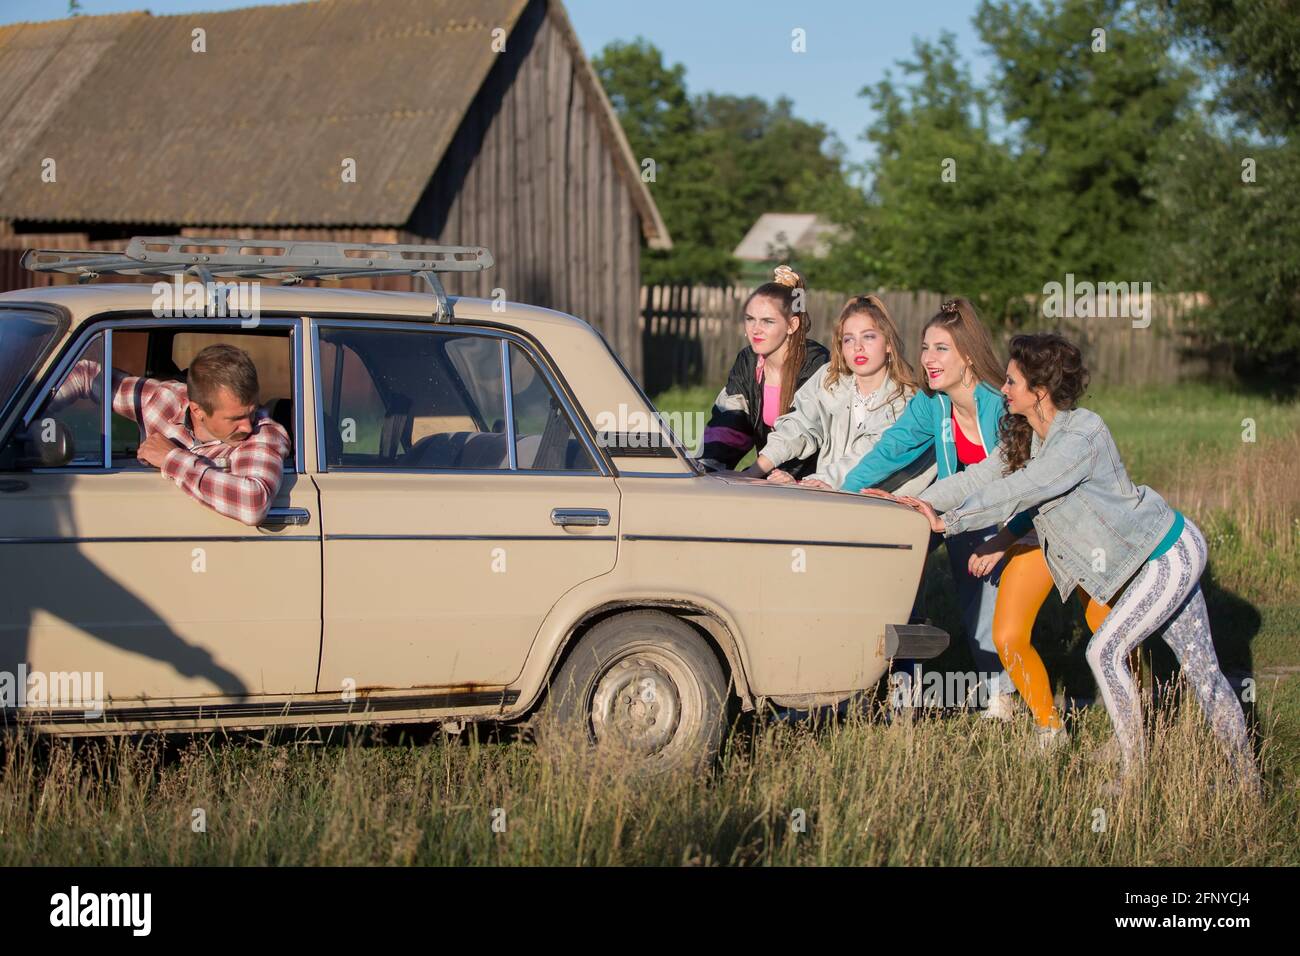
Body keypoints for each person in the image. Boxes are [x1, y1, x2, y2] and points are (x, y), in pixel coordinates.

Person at [901, 333, 1257, 787]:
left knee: (1108, 652)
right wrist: (924, 503)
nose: (1003, 389)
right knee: (1198, 670)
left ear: (1039, 391)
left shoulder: (1081, 434)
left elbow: (1022, 489)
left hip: (1167, 555)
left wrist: (949, 523)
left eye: (1011, 382)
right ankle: (1247, 782)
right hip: (1152, 560)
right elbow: (983, 477)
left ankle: (1137, 778)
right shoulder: (1031, 436)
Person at [844, 298, 1025, 714]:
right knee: (900, 558)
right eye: (925, 347)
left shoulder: (999, 403)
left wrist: (924, 503)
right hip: (959, 511)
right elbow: (892, 448)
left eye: (941, 348)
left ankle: (1005, 695)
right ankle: (894, 681)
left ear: (969, 355)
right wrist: (845, 493)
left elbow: (1000, 480)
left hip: (1014, 517)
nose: (928, 358)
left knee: (983, 588)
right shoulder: (933, 402)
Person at [54, 343, 291, 526]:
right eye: (235, 418)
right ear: (197, 410)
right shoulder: (164, 400)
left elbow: (252, 504)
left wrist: (171, 459)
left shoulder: (264, 434)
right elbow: (86, 375)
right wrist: (36, 418)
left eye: (251, 412)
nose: (247, 426)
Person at [740, 294, 936, 495]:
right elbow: (800, 425)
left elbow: (867, 457)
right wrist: (754, 471)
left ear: (888, 344)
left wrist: (806, 483)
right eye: (849, 339)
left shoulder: (904, 401)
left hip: (884, 503)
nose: (857, 347)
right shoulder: (831, 379)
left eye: (868, 336)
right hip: (830, 497)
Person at [697, 265, 829, 478]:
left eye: (768, 321)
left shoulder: (817, 363)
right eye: (750, 319)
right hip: (769, 476)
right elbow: (730, 421)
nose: (755, 329)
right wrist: (706, 466)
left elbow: (802, 430)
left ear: (792, 325)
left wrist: (756, 473)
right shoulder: (748, 361)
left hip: (817, 479)